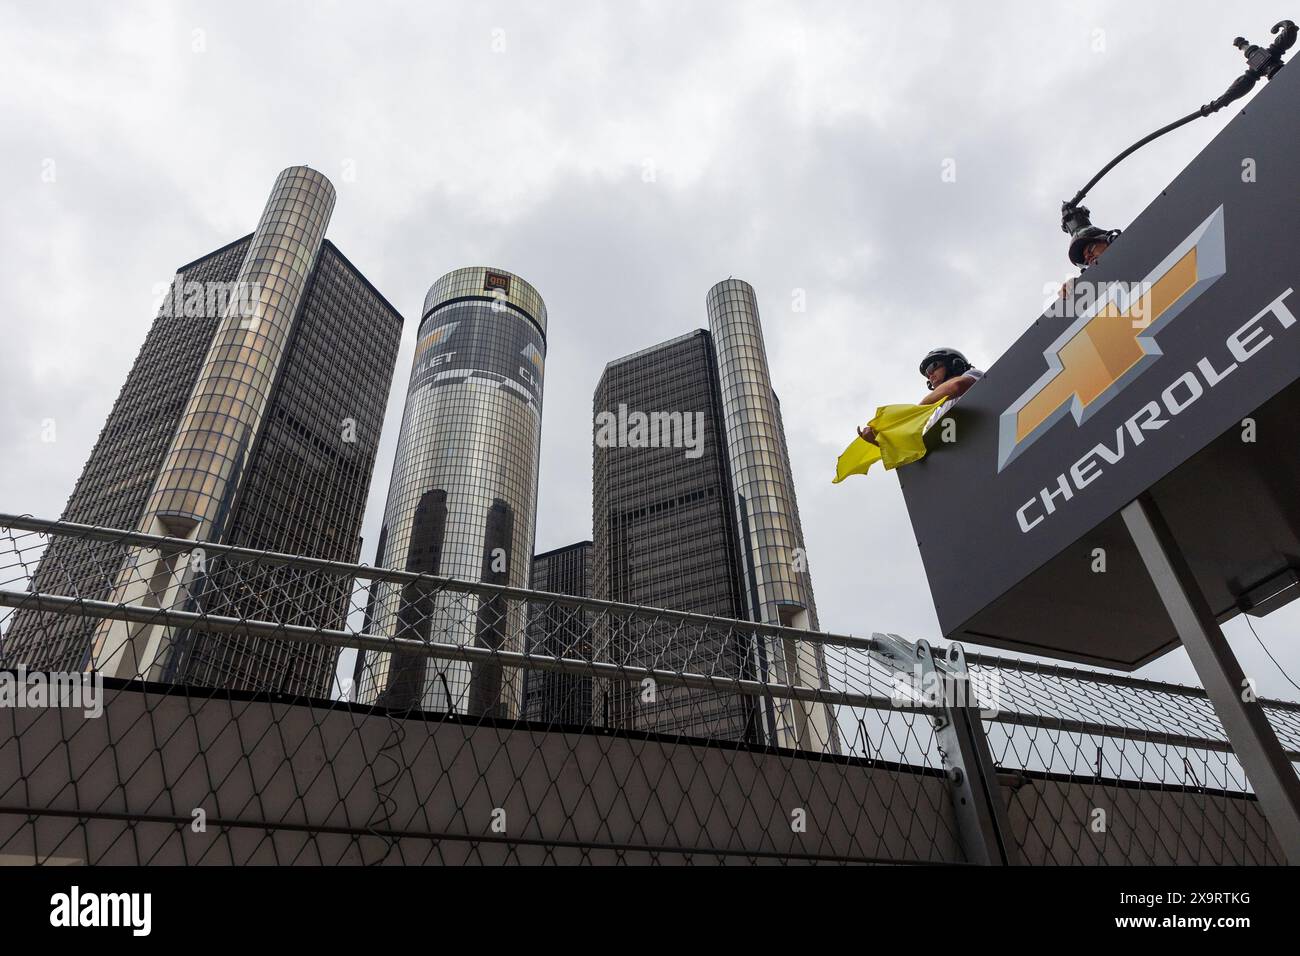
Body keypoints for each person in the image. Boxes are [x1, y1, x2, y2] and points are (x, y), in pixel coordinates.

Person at [857, 348, 983, 446]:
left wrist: (915, 412)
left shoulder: (973, 375)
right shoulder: (934, 419)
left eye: (933, 367)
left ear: (955, 364)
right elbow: (919, 451)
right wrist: (881, 442)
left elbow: (957, 386)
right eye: (927, 375)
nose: (930, 375)